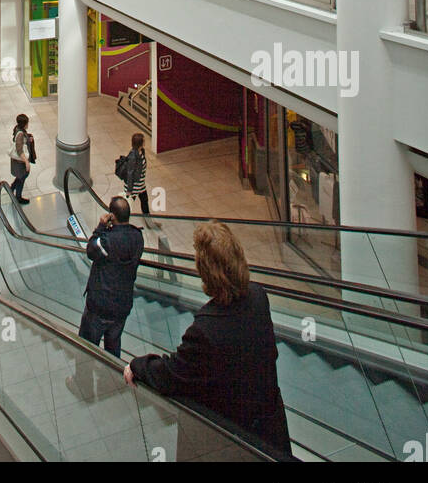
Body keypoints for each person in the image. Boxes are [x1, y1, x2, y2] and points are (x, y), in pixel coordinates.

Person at [124, 221, 292, 459]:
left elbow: (172, 375)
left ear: (205, 272)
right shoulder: (258, 297)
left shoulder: (205, 330)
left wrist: (137, 366)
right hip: (270, 430)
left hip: (231, 440)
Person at [67, 196, 144, 400]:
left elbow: (91, 250)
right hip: (123, 304)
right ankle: (112, 385)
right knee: (113, 344)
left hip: (99, 305)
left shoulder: (107, 240)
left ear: (112, 215)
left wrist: (101, 227)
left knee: (86, 346)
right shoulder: (138, 237)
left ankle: (84, 387)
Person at [8, 112, 34, 203]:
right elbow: (19, 151)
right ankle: (18, 197)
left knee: (20, 177)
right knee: (22, 178)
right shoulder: (20, 134)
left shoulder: (18, 129)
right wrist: (26, 162)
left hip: (17, 162)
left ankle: (11, 188)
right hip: (20, 162)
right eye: (27, 123)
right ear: (24, 124)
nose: (28, 124)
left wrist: (28, 138)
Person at [124, 132, 150, 215]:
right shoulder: (133, 156)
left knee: (144, 201)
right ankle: (120, 221)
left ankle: (149, 221)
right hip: (134, 186)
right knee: (127, 206)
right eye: (143, 141)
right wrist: (129, 190)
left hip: (141, 184)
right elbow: (130, 173)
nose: (145, 142)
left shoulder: (141, 151)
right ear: (140, 143)